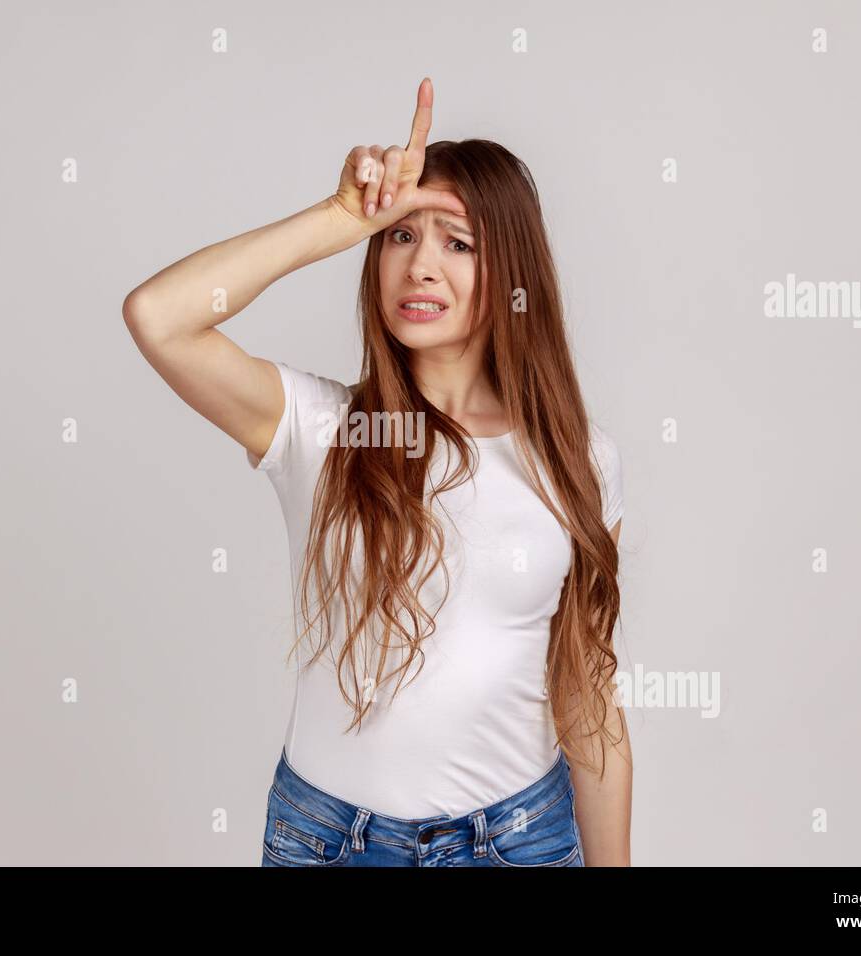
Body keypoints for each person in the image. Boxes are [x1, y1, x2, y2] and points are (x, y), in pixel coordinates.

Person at [122, 77, 630, 867]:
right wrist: (339, 218)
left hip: (519, 844)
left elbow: (588, 697)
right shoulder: (322, 430)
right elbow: (160, 316)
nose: (421, 264)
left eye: (456, 242)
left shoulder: (578, 459)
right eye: (401, 236)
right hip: (328, 843)